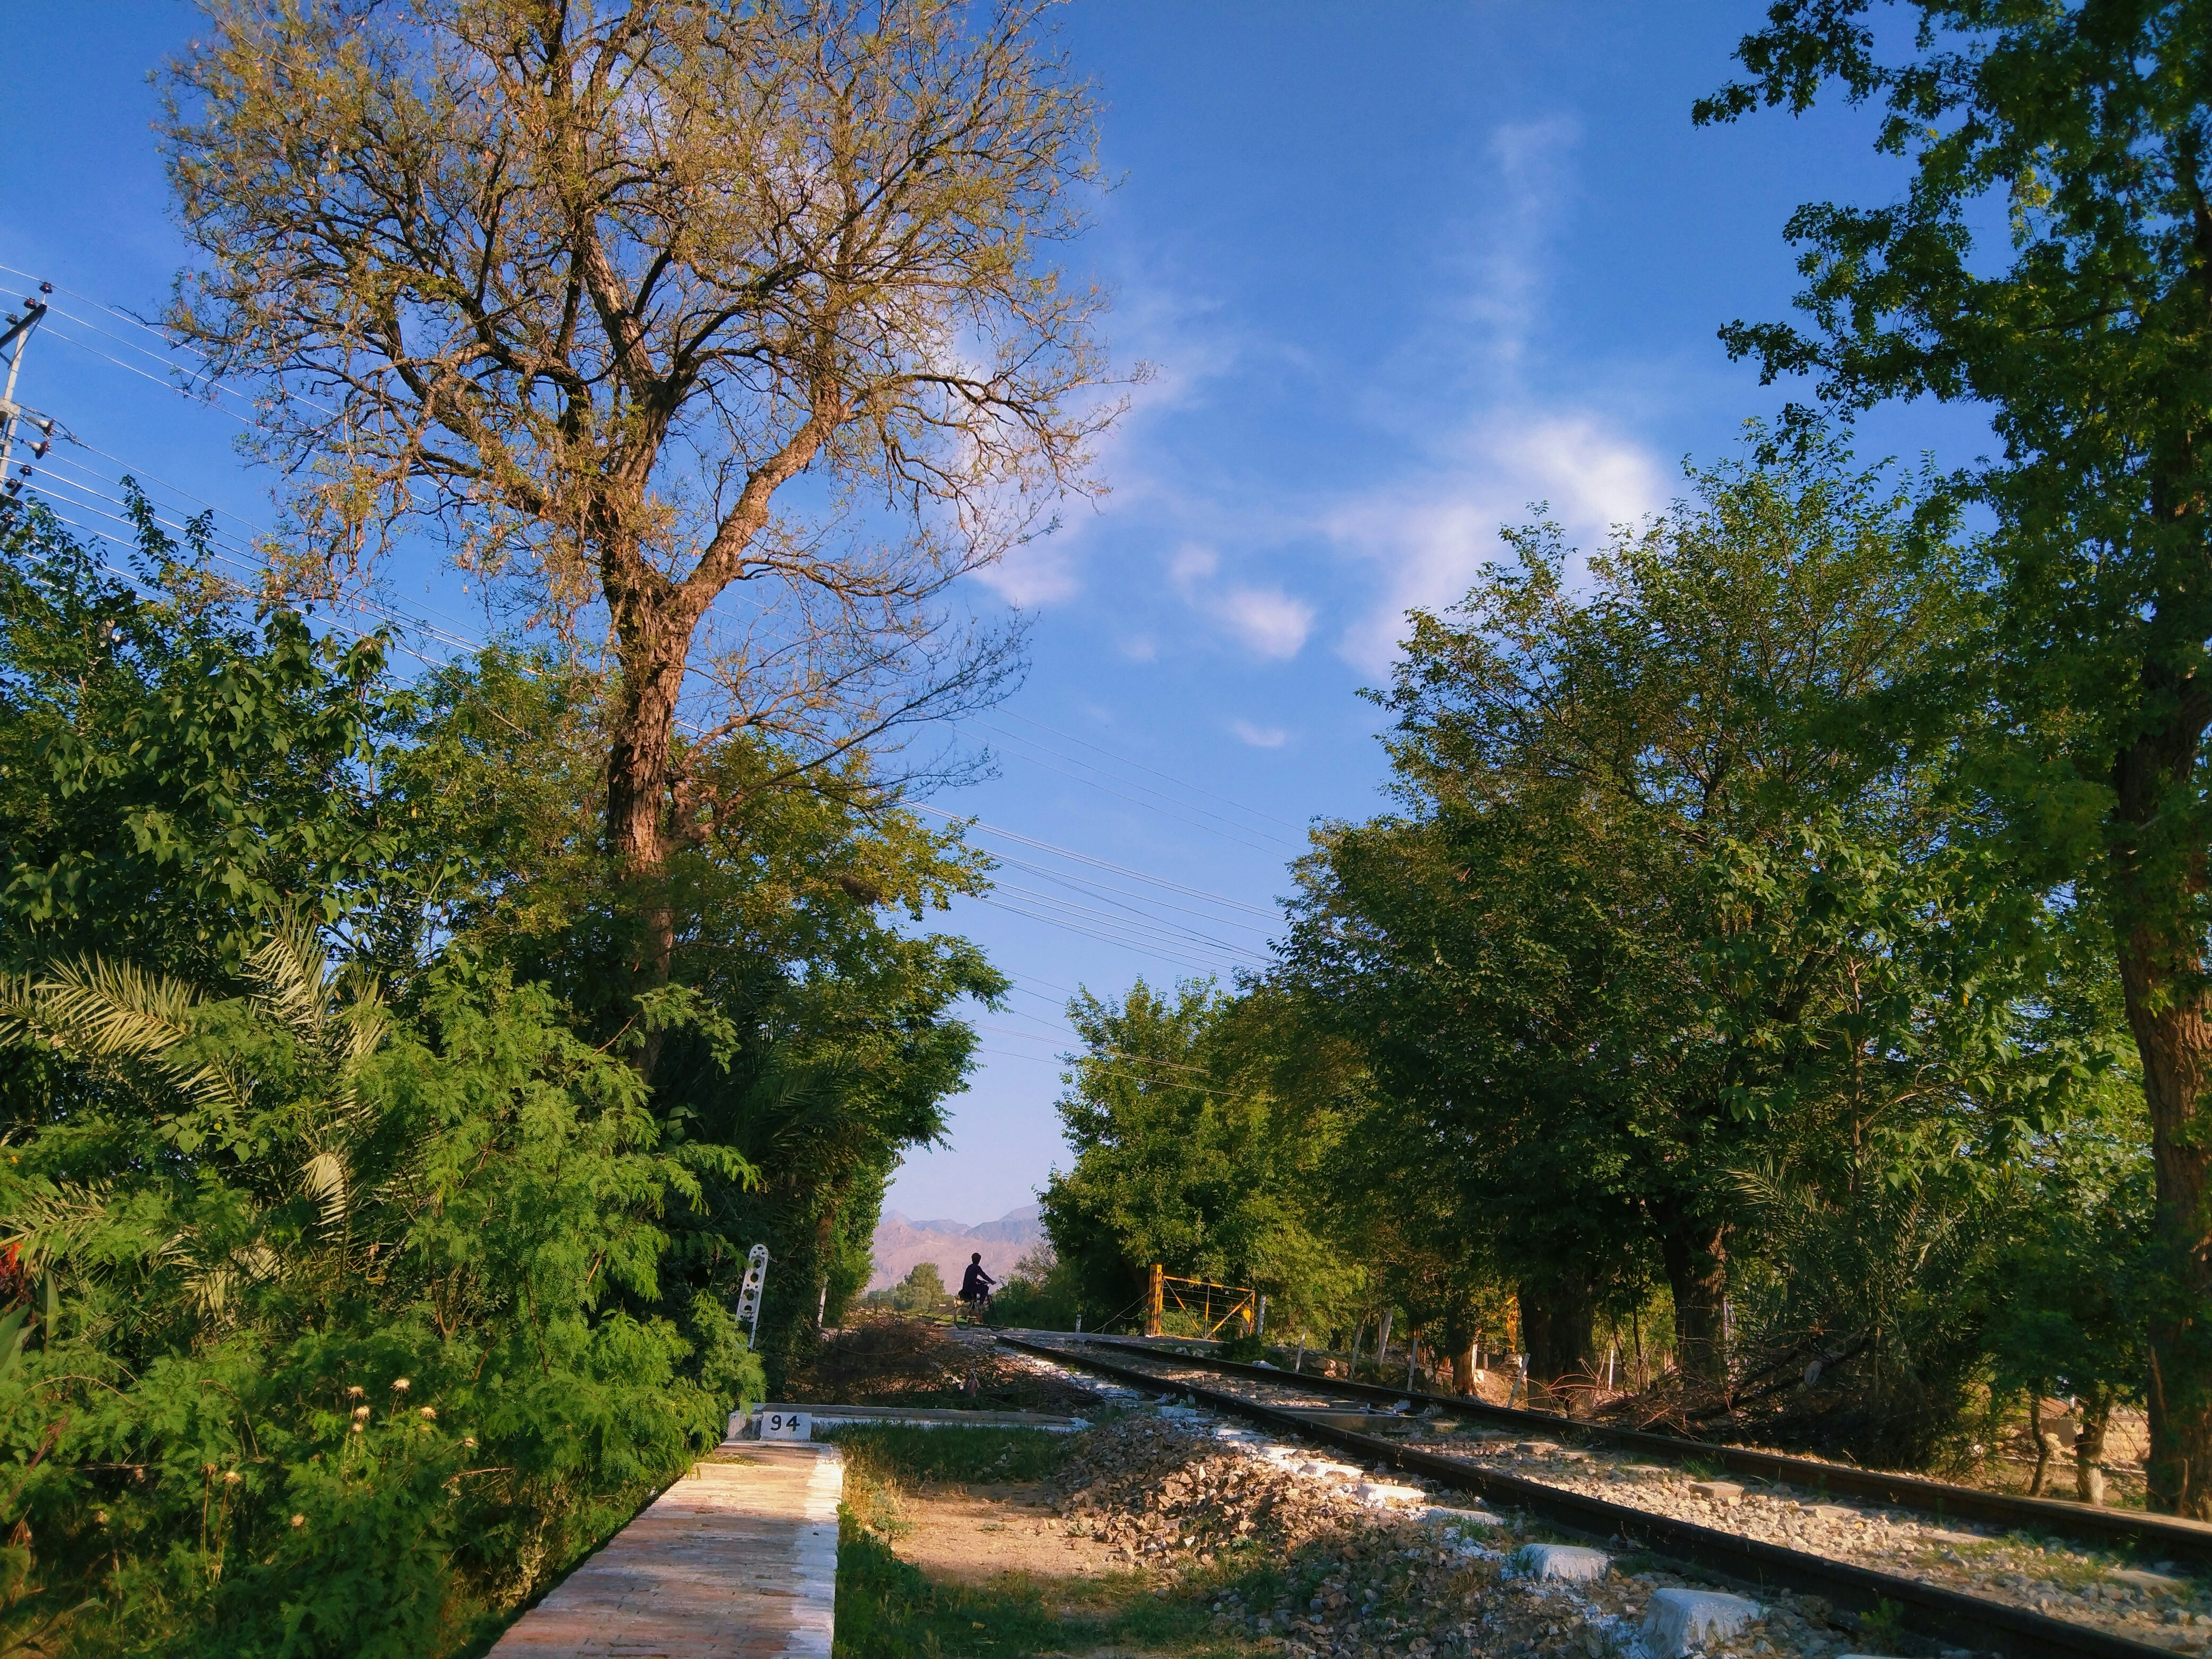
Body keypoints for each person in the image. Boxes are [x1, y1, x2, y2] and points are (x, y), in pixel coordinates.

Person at [959, 1253, 996, 1322]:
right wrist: (991, 1281)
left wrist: (980, 1281)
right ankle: (981, 1305)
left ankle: (972, 1313)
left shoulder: (969, 1267)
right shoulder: (977, 1267)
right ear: (979, 1261)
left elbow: (972, 1278)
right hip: (972, 1287)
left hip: (966, 1288)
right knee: (985, 1289)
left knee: (974, 1296)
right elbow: (983, 1275)